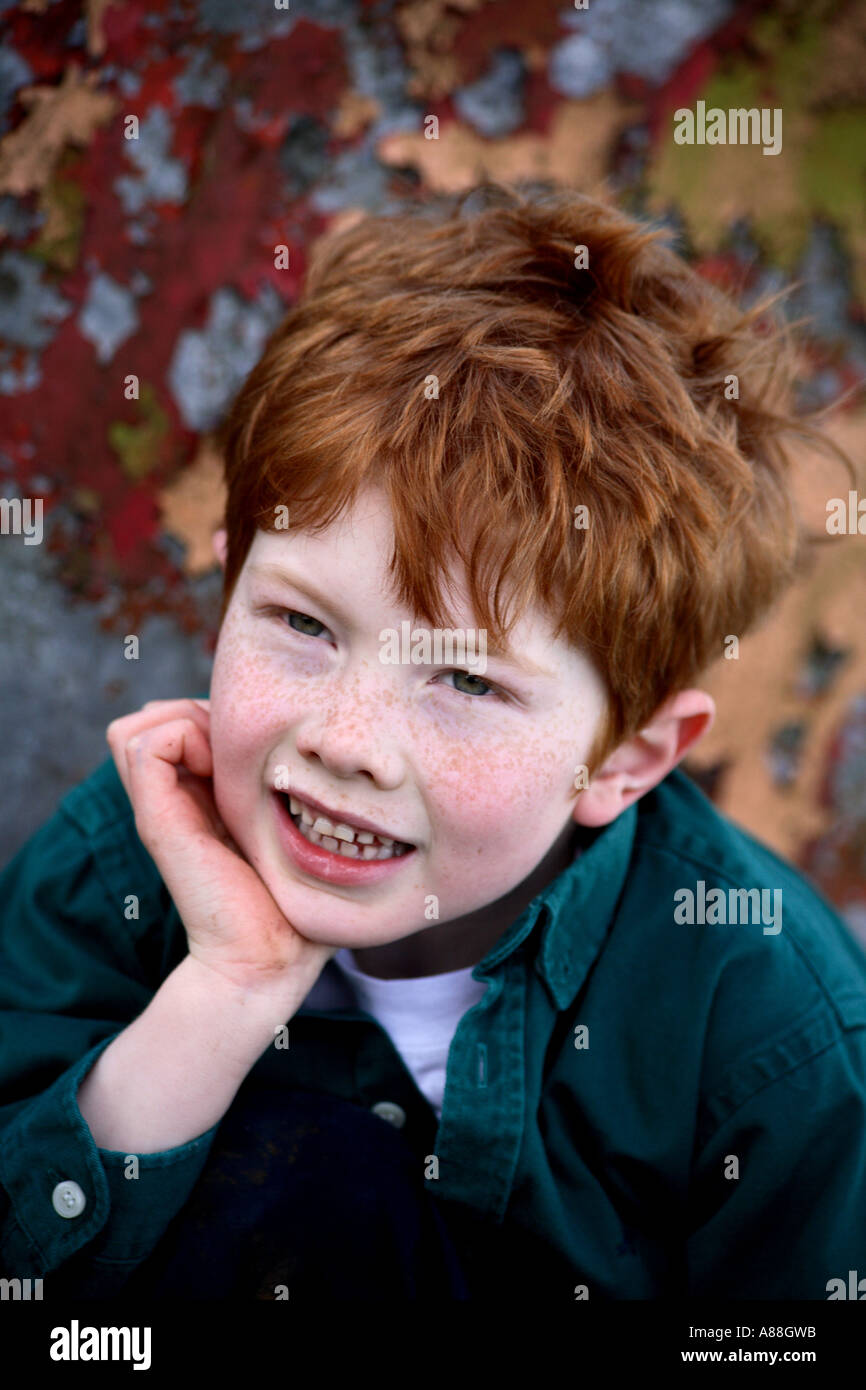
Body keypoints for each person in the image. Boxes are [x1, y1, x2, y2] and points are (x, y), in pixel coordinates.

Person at [1, 180, 864, 1302]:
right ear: (224, 589)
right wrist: (225, 989)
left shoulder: (772, 1026)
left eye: (464, 677)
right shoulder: (117, 865)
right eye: (302, 624)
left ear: (625, 758)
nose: (345, 742)